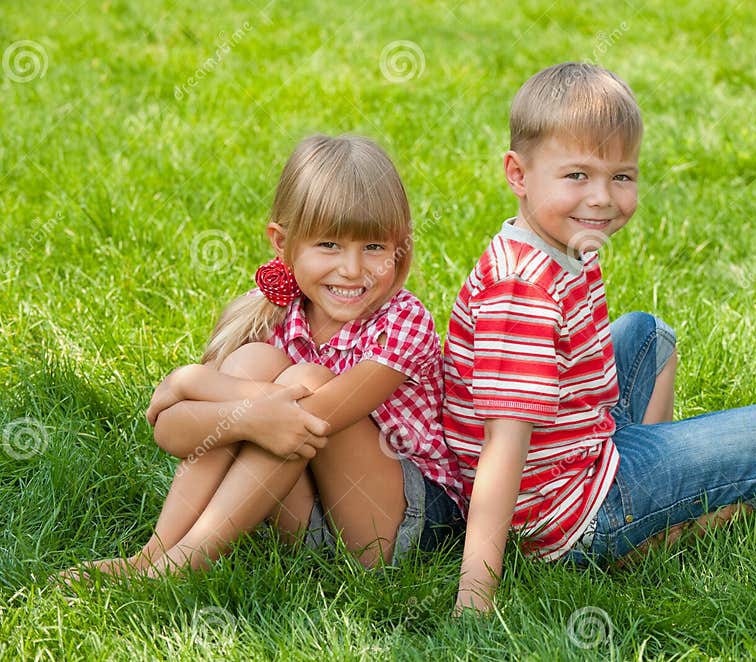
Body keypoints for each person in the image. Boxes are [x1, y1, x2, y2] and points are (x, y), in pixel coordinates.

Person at [443, 63, 756, 614]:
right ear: (518, 173)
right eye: (577, 176)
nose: (603, 198)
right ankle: (625, 536)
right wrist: (475, 599)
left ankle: (642, 497)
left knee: (648, 334)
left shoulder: (562, 244)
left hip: (573, 449)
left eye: (622, 176)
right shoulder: (522, 290)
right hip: (557, 508)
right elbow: (504, 442)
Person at [61, 134, 464, 582]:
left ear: (399, 247)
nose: (352, 269)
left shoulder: (404, 321)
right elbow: (173, 433)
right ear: (281, 242)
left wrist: (188, 384)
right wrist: (243, 413)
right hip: (308, 523)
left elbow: (306, 422)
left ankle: (185, 563)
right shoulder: (272, 312)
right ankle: (153, 554)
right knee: (255, 361)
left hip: (400, 527)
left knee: (308, 382)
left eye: (373, 247)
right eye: (328, 245)